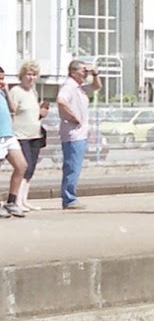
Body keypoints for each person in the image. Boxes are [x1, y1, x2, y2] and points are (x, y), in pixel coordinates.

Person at [55, 59, 99, 209]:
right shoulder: (69, 86)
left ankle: (70, 196)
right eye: (82, 71)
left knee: (75, 165)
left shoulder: (79, 88)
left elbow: (96, 86)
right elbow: (61, 100)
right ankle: (69, 198)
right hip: (73, 133)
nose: (84, 74)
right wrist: (73, 116)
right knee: (72, 165)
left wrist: (95, 73)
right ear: (73, 72)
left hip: (80, 133)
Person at [6, 60, 48, 214]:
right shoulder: (16, 91)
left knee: (31, 169)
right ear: (22, 75)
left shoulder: (33, 92)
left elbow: (32, 114)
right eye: (28, 74)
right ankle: (16, 199)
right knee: (25, 166)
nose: (31, 77)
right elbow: (12, 110)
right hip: (20, 135)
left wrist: (41, 114)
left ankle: (23, 199)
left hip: (34, 134)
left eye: (34, 74)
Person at [0, 67, 28, 218]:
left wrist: (6, 92)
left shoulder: (2, 93)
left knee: (21, 165)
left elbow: (13, 109)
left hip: (8, 135)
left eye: (2, 78)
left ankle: (11, 201)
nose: (1, 82)